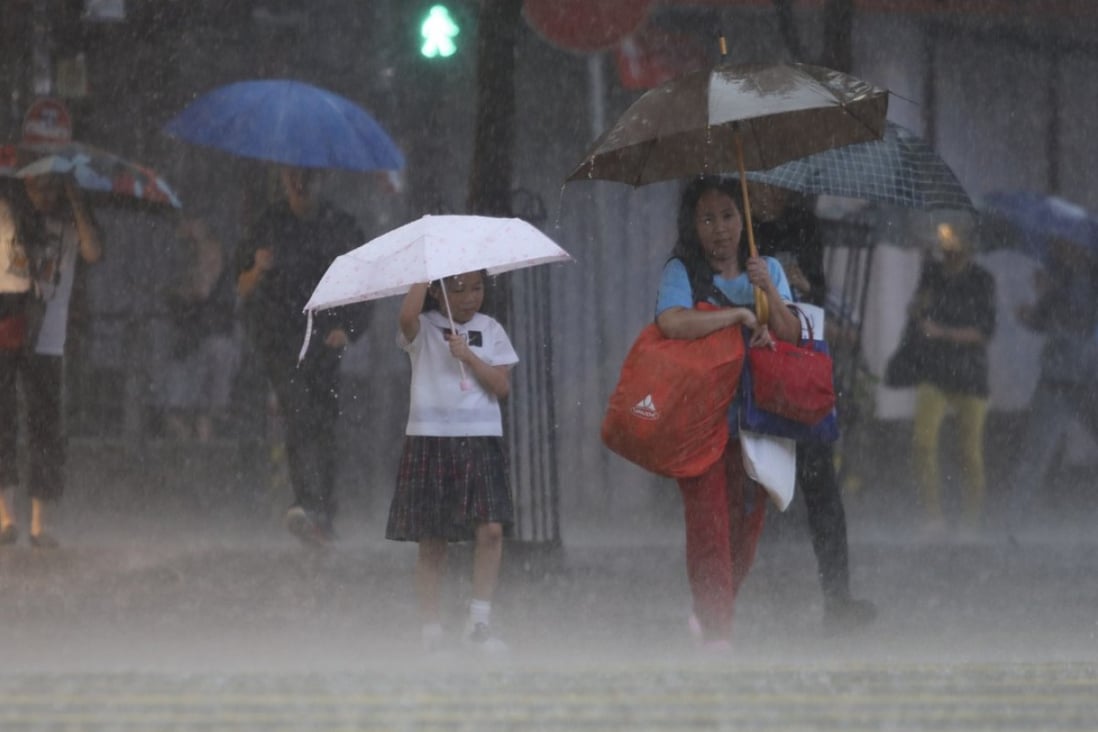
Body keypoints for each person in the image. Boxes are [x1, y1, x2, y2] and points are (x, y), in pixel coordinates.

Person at [655, 176, 800, 650]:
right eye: (708, 218)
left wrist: (768, 296)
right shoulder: (683, 271)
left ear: (745, 220)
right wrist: (736, 317)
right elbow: (672, 322)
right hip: (701, 422)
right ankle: (719, 634)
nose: (720, 229)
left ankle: (711, 612)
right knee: (709, 526)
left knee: (747, 528)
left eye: (728, 216)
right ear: (692, 225)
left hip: (758, 421)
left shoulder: (767, 268)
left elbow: (793, 334)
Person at [748, 182, 877, 632]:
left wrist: (799, 283)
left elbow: (817, 298)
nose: (770, 194)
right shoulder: (738, 225)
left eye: (779, 186)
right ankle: (730, 602)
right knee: (753, 486)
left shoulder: (805, 226)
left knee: (821, 488)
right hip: (754, 370)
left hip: (800, 371)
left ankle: (837, 597)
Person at [235, 166, 370, 545]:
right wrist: (259, 268)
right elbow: (242, 286)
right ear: (282, 180)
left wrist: (350, 329)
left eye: (307, 178)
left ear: (321, 180)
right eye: (292, 177)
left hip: (325, 341)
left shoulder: (341, 227)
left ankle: (323, 509)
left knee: (323, 422)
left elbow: (363, 286)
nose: (299, 185)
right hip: (282, 341)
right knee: (298, 413)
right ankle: (307, 503)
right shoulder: (267, 224)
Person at [386, 272, 519, 655]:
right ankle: (431, 631)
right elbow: (405, 319)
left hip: (480, 437)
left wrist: (469, 357)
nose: (468, 298)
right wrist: (421, 272)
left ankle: (478, 623)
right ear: (437, 292)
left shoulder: (490, 329)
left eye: (476, 288)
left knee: (491, 529)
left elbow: (502, 385)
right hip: (432, 437)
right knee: (433, 539)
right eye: (457, 289)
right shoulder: (424, 328)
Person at [0, 174, 103, 548]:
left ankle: (39, 522)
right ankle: (6, 515)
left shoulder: (70, 220)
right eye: (36, 187)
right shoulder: (7, 211)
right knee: (4, 417)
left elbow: (93, 251)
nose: (43, 196)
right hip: (8, 324)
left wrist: (75, 200)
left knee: (45, 423)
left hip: (48, 333)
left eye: (50, 187)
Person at [904, 222, 996, 532]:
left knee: (969, 450)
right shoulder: (932, 275)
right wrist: (921, 304)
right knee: (922, 442)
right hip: (935, 373)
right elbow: (916, 313)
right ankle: (933, 517)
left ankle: (970, 521)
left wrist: (944, 333)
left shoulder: (982, 281)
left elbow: (984, 331)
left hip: (970, 376)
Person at [1006, 236, 1098, 536]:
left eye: (1064, 244)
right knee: (1035, 454)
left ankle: (1015, 522)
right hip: (1057, 380)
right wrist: (1030, 315)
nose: (1058, 250)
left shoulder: (1089, 281)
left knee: (1035, 455)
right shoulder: (1058, 277)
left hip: (1087, 379)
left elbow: (1079, 324)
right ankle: (1013, 524)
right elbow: (1049, 324)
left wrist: (1052, 295)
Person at [161, 217, 240, 442]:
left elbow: (200, 292)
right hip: (193, 342)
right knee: (183, 411)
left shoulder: (212, 254)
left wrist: (183, 291)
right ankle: (193, 451)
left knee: (205, 412)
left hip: (211, 340)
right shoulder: (188, 259)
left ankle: (203, 454)